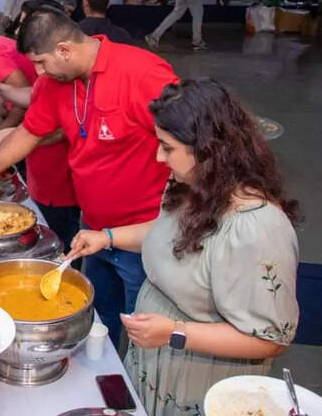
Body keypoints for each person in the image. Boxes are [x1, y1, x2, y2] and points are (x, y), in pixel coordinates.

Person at [66, 78, 300, 416]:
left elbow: (270, 339)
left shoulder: (258, 229)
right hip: (155, 359)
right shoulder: (193, 184)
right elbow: (169, 236)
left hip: (199, 381)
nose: (159, 157)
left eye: (167, 147)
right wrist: (108, 237)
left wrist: (175, 333)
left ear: (208, 150)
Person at [0, 7, 178, 350]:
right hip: (92, 230)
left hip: (143, 235)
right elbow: (29, 133)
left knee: (145, 334)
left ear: (64, 49)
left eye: (41, 62)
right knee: (100, 323)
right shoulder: (55, 83)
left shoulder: (143, 73)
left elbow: (193, 140)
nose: (38, 73)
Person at [0, 7, 82, 251]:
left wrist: (5, 134)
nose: (38, 72)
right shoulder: (51, 77)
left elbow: (50, 123)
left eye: (40, 62)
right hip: (45, 176)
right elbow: (30, 97)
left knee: (60, 241)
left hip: (58, 178)